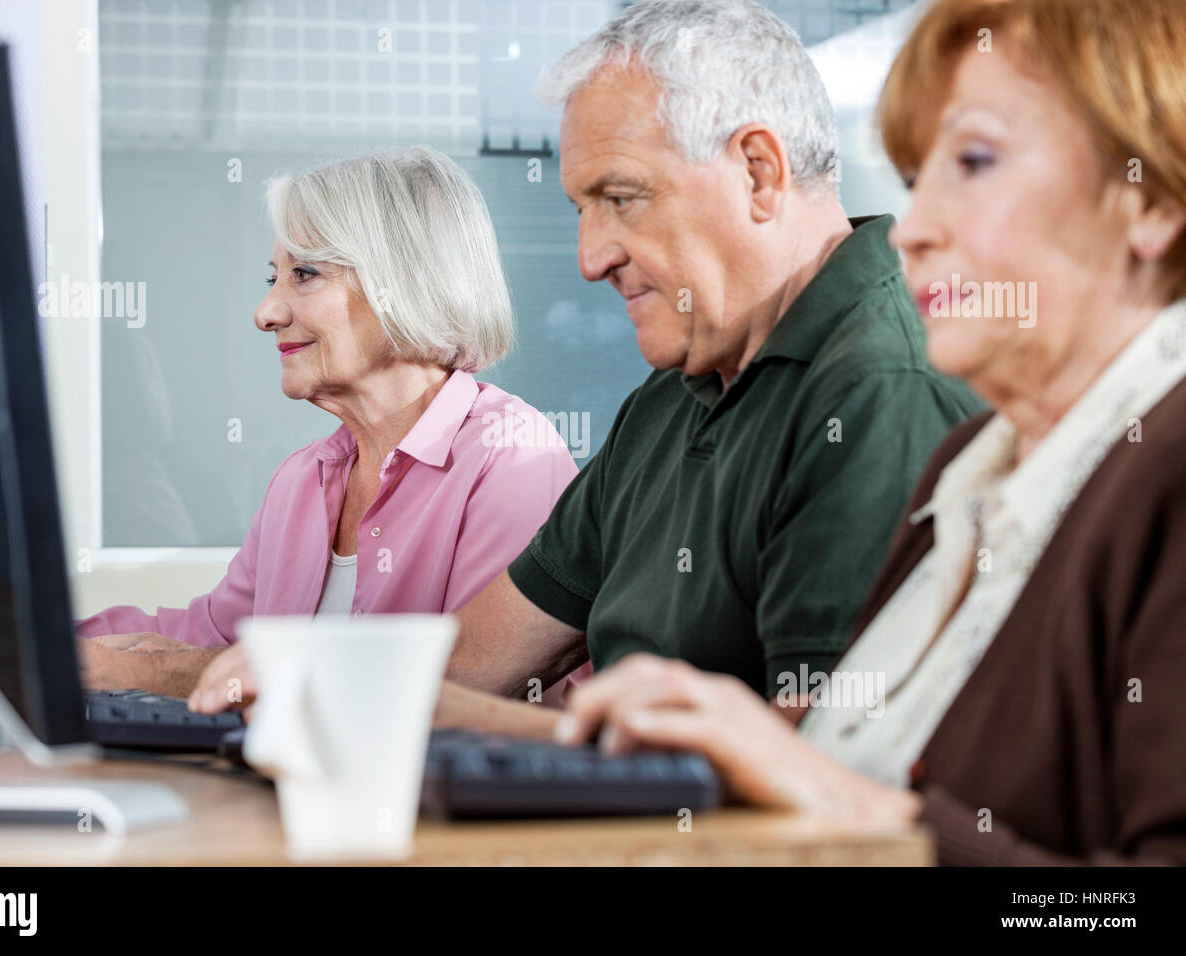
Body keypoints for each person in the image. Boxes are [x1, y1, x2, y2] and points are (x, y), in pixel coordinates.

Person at [192, 0, 983, 730]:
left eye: (622, 197)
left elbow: (820, 772)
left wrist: (337, 684)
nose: (589, 257)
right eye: (580, 209)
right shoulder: (672, 398)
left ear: (759, 172)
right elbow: (475, 665)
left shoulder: (877, 388)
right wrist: (308, 672)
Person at [557, 0, 1186, 866]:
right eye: (917, 176)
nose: (917, 228)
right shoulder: (969, 470)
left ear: (1146, 198)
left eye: (975, 161)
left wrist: (859, 814)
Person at [78, 146, 579, 700]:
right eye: (274, 277)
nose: (265, 312)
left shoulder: (511, 456)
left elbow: (462, 692)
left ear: (405, 282)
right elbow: (214, 635)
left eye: (305, 274)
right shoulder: (302, 481)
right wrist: (38, 640)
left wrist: (160, 674)